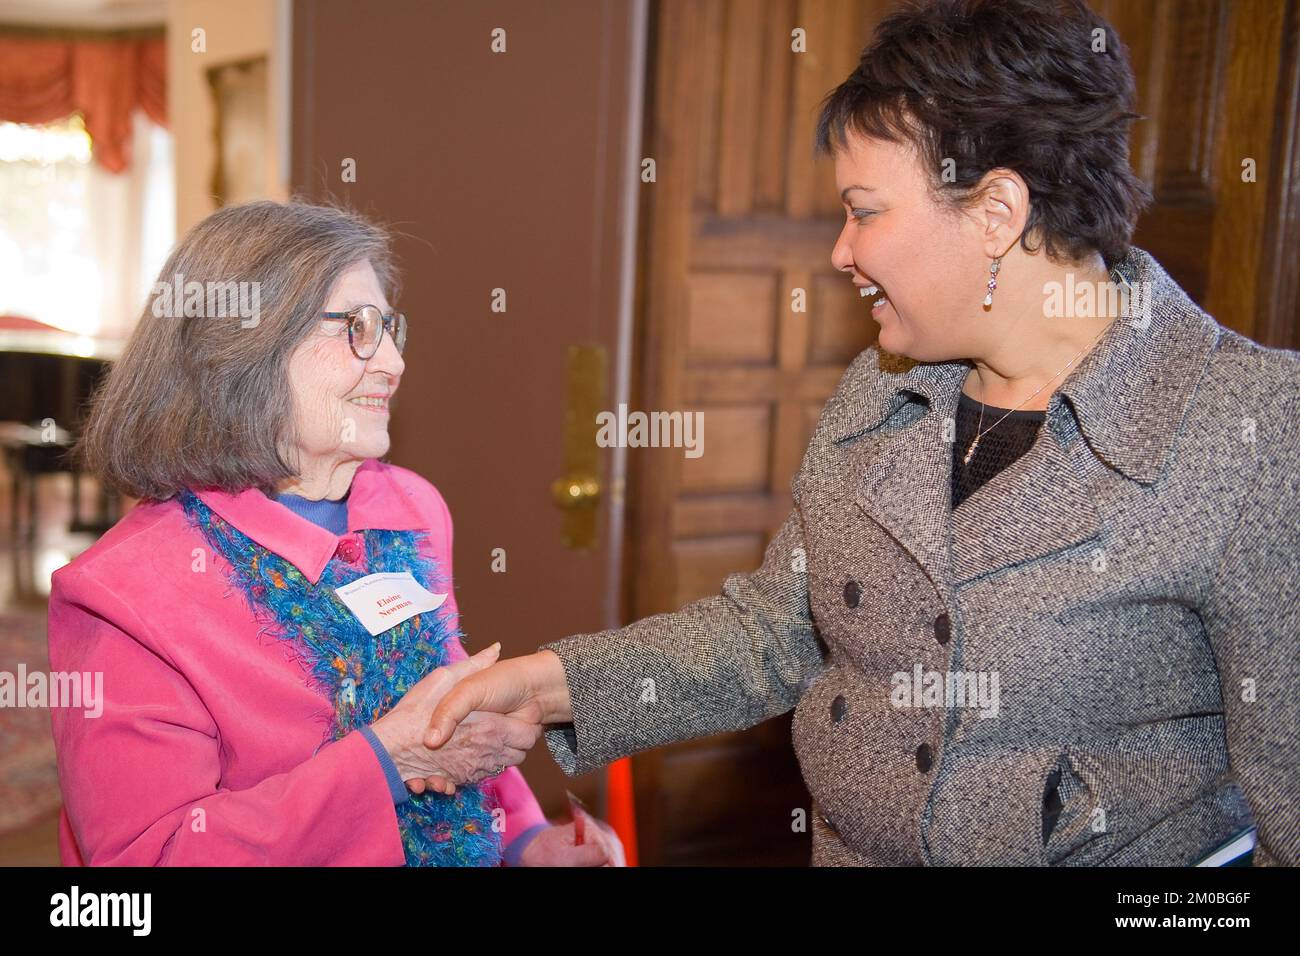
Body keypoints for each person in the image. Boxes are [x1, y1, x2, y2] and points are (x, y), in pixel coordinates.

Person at [424, 0, 1299, 866]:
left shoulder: (1249, 428)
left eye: (865, 211)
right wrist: (548, 688)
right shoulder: (881, 387)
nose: (841, 252)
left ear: (997, 211)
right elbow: (776, 631)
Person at [48, 200, 622, 866]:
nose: (394, 362)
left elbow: (451, 714)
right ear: (240, 349)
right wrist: (385, 761)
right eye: (357, 327)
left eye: (389, 327)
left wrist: (525, 841)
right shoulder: (123, 596)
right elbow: (153, 860)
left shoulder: (410, 507)